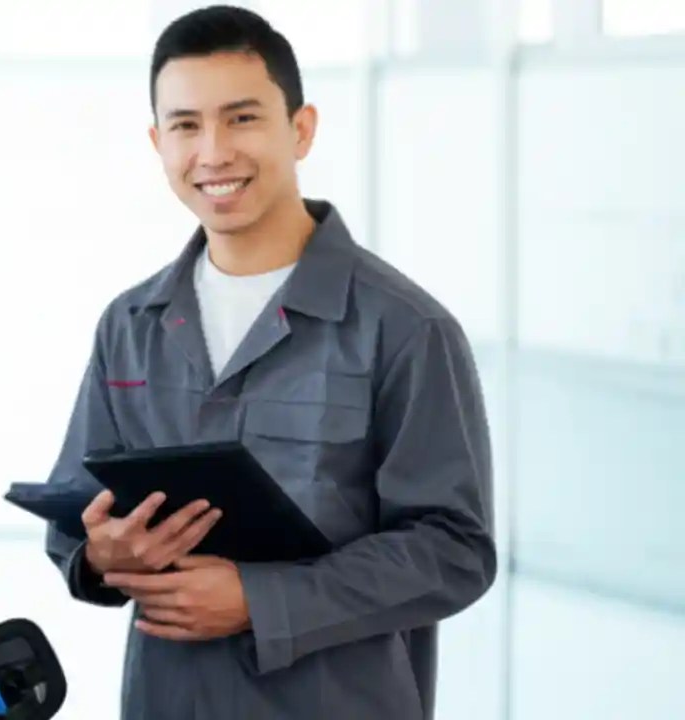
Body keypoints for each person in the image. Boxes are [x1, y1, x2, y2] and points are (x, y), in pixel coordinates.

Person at [41, 5, 497, 719]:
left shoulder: (406, 327)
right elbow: (72, 513)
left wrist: (261, 601)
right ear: (159, 142)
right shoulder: (130, 325)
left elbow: (454, 551)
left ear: (302, 129)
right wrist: (101, 555)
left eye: (243, 118)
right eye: (187, 126)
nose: (214, 152)